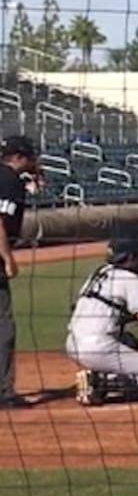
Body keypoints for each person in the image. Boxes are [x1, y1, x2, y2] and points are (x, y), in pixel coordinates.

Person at [68, 237, 138, 406]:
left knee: (129, 341)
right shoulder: (128, 278)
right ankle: (100, 382)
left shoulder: (99, 272)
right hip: (98, 347)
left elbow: (78, 307)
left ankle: (102, 376)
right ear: (130, 257)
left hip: (73, 343)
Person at [0, 135, 38, 408]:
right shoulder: (10, 180)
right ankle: (4, 392)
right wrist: (7, 257)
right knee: (4, 326)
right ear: (19, 157)